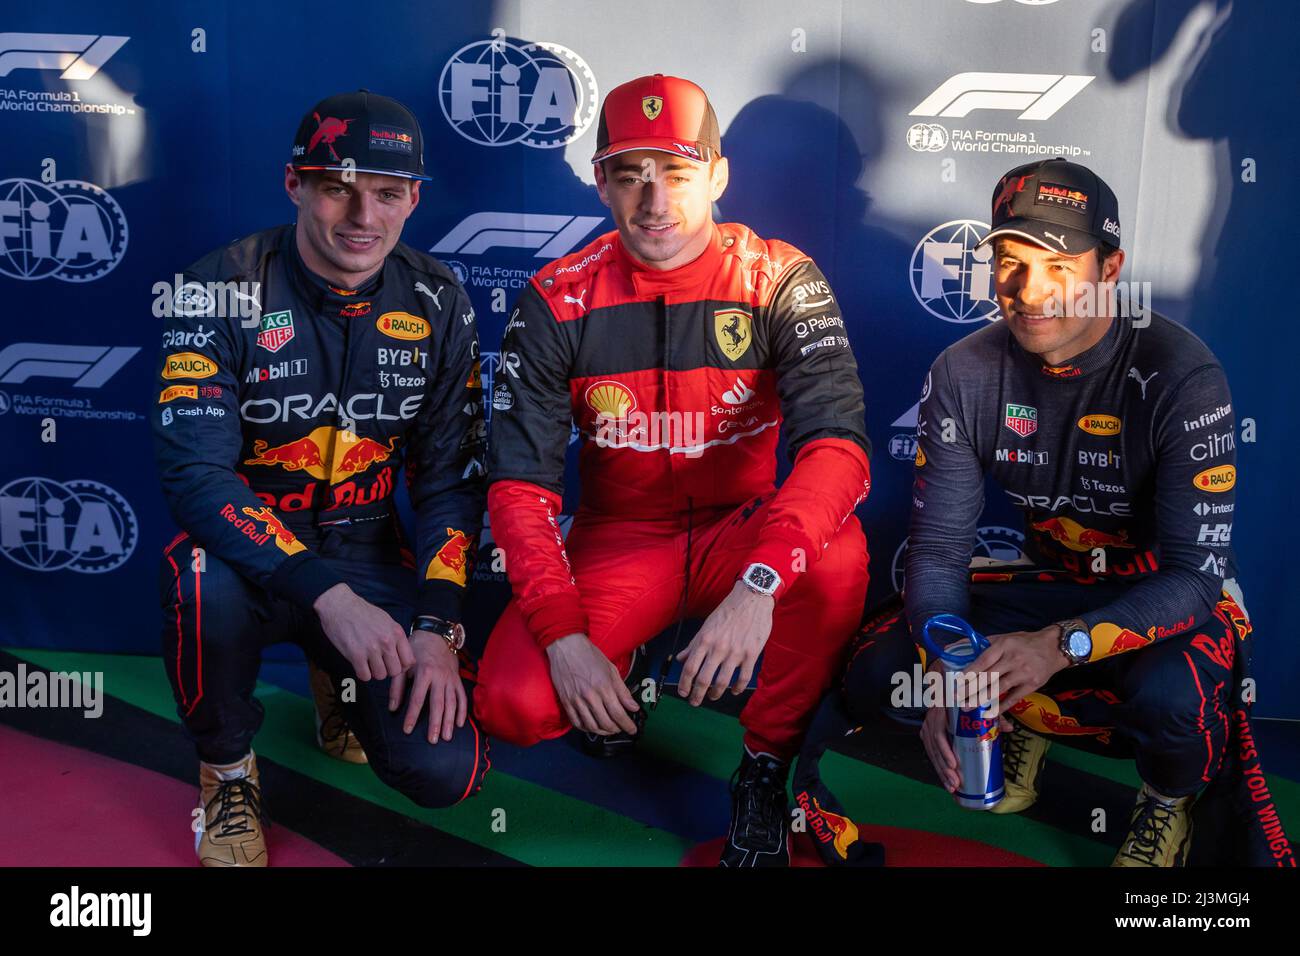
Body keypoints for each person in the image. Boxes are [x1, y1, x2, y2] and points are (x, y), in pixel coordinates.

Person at [819, 158, 1290, 866]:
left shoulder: (1180, 372)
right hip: (1045, 586)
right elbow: (942, 550)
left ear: (1110, 267)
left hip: (1156, 598)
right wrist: (949, 666)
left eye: (1058, 266)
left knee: (1175, 695)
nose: (1028, 292)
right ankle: (1023, 722)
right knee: (879, 663)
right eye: (1009, 262)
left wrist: (1057, 646)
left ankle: (1166, 803)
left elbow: (1195, 580)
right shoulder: (964, 370)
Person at [476, 74, 872, 867]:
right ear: (602, 182)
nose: (654, 201)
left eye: (679, 173)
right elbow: (519, 486)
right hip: (622, 538)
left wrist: (760, 585)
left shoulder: (778, 279)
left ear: (719, 176)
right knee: (514, 703)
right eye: (630, 175)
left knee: (838, 557)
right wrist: (564, 636)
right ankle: (621, 658)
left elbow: (839, 448)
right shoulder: (558, 297)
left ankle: (767, 765)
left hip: (743, 529)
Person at [152, 90, 489, 867]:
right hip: (249, 556)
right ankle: (226, 770)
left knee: (446, 772)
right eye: (338, 186)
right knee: (198, 582)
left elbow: (450, 480)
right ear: (294, 184)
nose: (361, 216)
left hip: (370, 552)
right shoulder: (216, 288)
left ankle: (338, 686)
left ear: (414, 198)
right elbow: (197, 474)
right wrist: (327, 600)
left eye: (387, 192)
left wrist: (437, 628)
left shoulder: (438, 299)